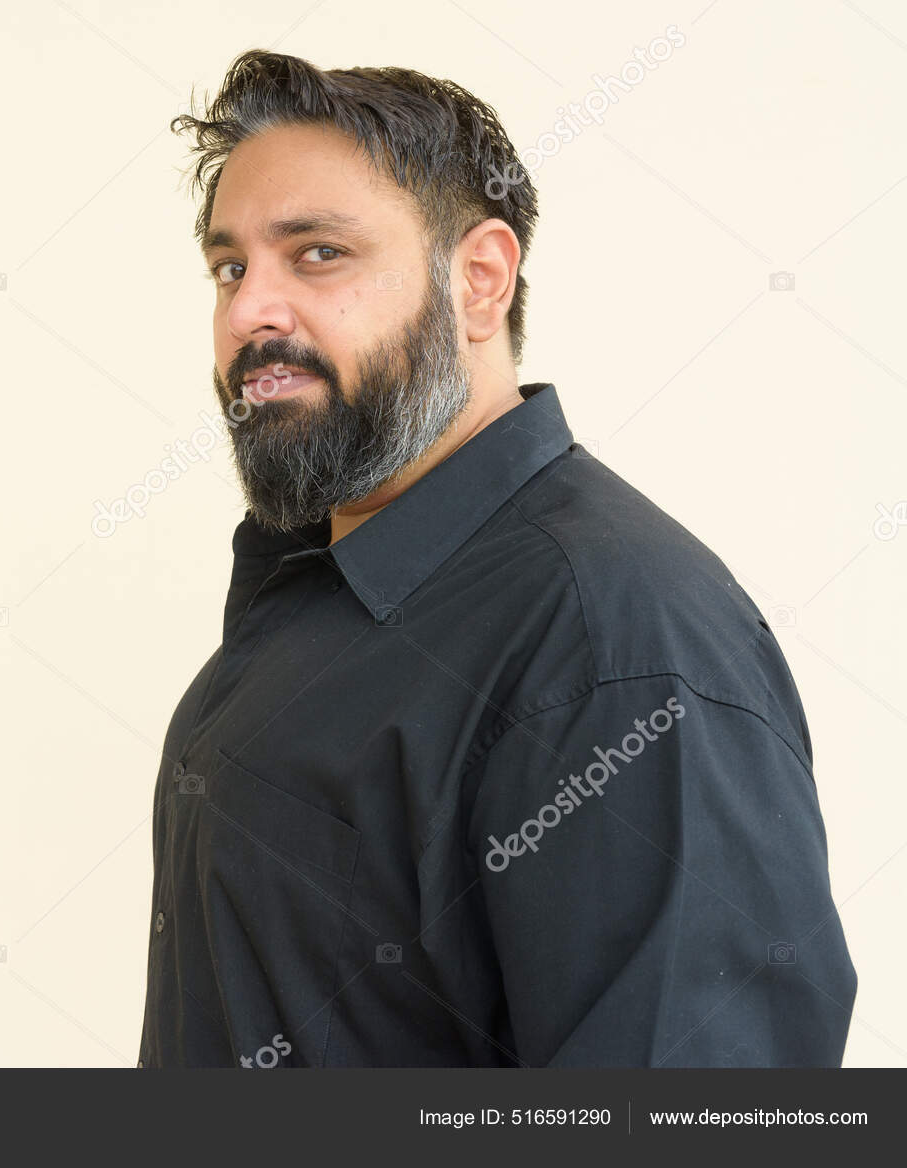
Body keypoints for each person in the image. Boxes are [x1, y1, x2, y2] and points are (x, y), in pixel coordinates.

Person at [136, 50, 856, 1067]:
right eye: (228, 266)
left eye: (317, 254)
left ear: (479, 280)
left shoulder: (613, 641)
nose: (250, 310)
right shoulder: (318, 577)